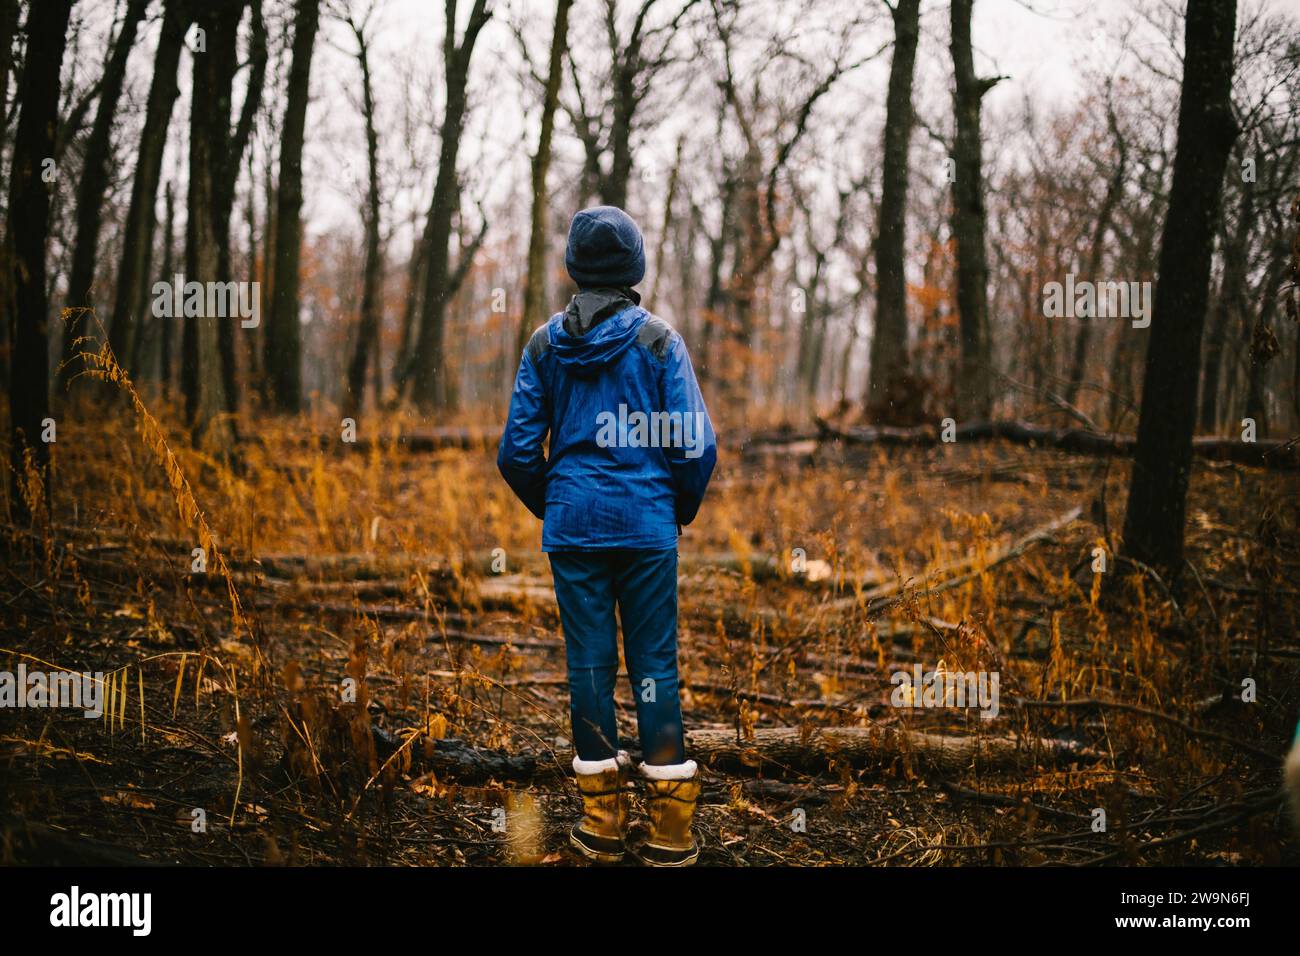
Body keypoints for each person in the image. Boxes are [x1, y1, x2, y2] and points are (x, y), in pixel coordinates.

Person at [498, 205, 717, 866]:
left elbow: (515, 453)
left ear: (574, 267)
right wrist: (671, 508)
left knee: (589, 667)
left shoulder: (543, 345)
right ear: (635, 269)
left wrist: (560, 505)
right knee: (654, 668)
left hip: (573, 530)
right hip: (647, 529)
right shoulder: (658, 341)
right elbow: (695, 446)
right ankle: (670, 832)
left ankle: (600, 823)